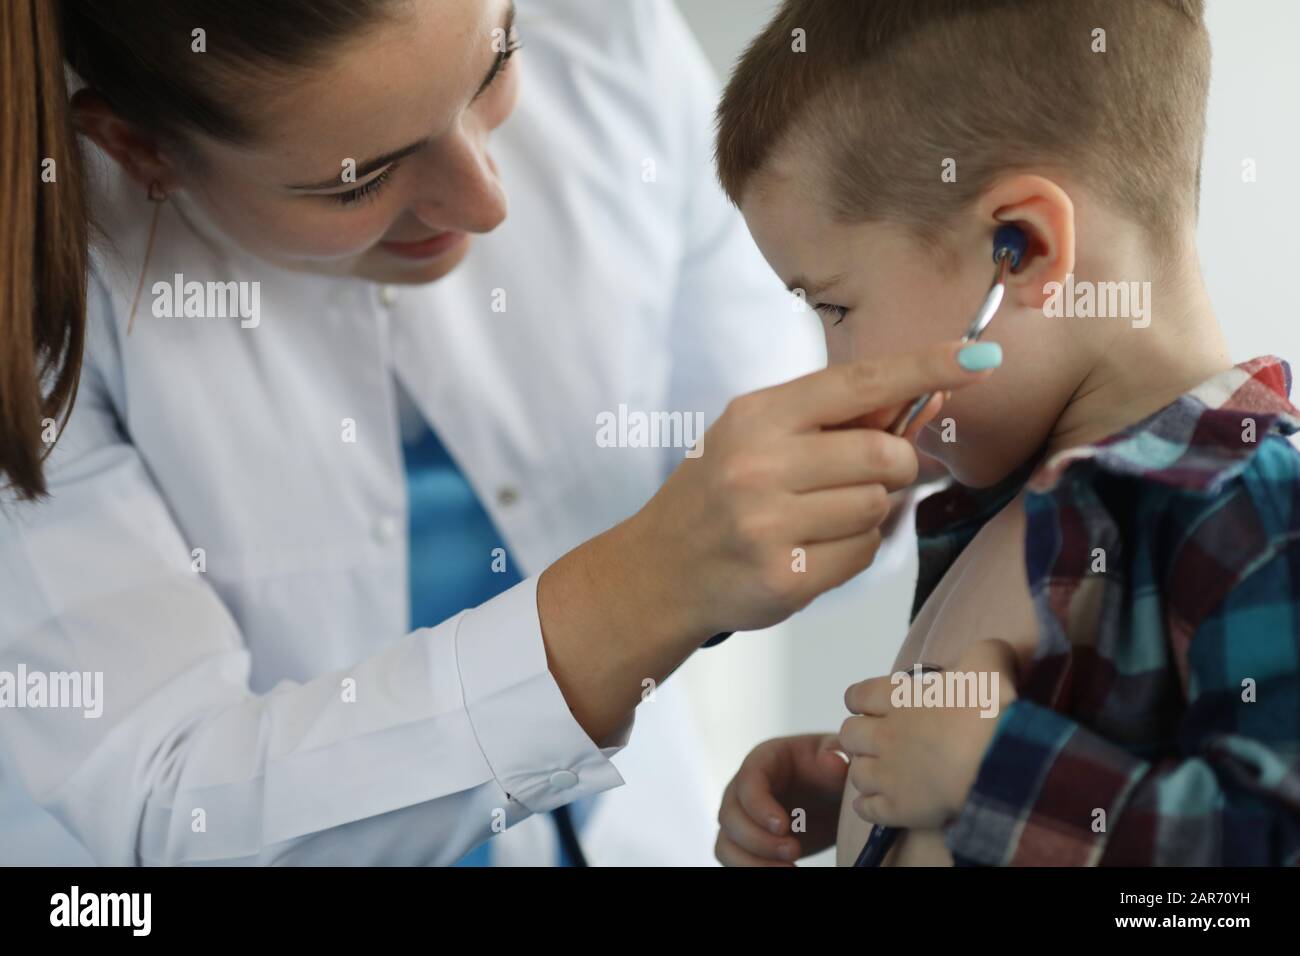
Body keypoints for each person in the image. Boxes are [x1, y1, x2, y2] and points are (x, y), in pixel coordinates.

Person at [0, 0, 992, 865]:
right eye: (361, 178)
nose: (487, 198)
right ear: (139, 148)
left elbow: (816, 525)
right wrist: (642, 588)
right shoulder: (42, 284)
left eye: (495, 64)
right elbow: (173, 802)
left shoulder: (608, 38)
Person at [712, 0, 1300, 866]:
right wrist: (867, 790)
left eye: (835, 306)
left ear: (1020, 248)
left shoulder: (1247, 508)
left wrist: (995, 775)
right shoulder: (1006, 509)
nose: (829, 367)